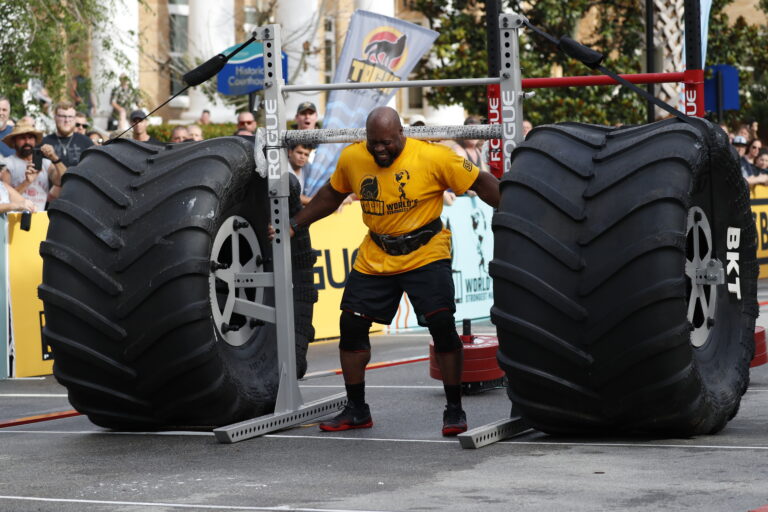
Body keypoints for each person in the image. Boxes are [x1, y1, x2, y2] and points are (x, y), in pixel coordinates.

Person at [289, 106, 499, 436]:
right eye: (373, 142)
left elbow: (482, 182)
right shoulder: (353, 157)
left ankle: (454, 409)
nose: (380, 149)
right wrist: (295, 223)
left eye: (386, 142)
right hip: (377, 253)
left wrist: (517, 211)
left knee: (442, 325)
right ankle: (357, 409)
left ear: (401, 133)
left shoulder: (434, 157)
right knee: (351, 325)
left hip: (426, 252)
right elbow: (332, 194)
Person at [1, 122, 65, 211]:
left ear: (35, 141)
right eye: (22, 138)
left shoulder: (46, 163)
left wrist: (55, 158)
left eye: (30, 138)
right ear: (14, 141)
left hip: (39, 216)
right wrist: (27, 182)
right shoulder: (6, 164)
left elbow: (63, 181)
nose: (27, 142)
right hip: (15, 217)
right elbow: (5, 199)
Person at [41, 102, 94, 170]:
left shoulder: (86, 142)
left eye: (70, 116)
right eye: (63, 116)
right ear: (55, 117)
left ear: (75, 119)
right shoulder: (44, 142)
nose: (66, 120)